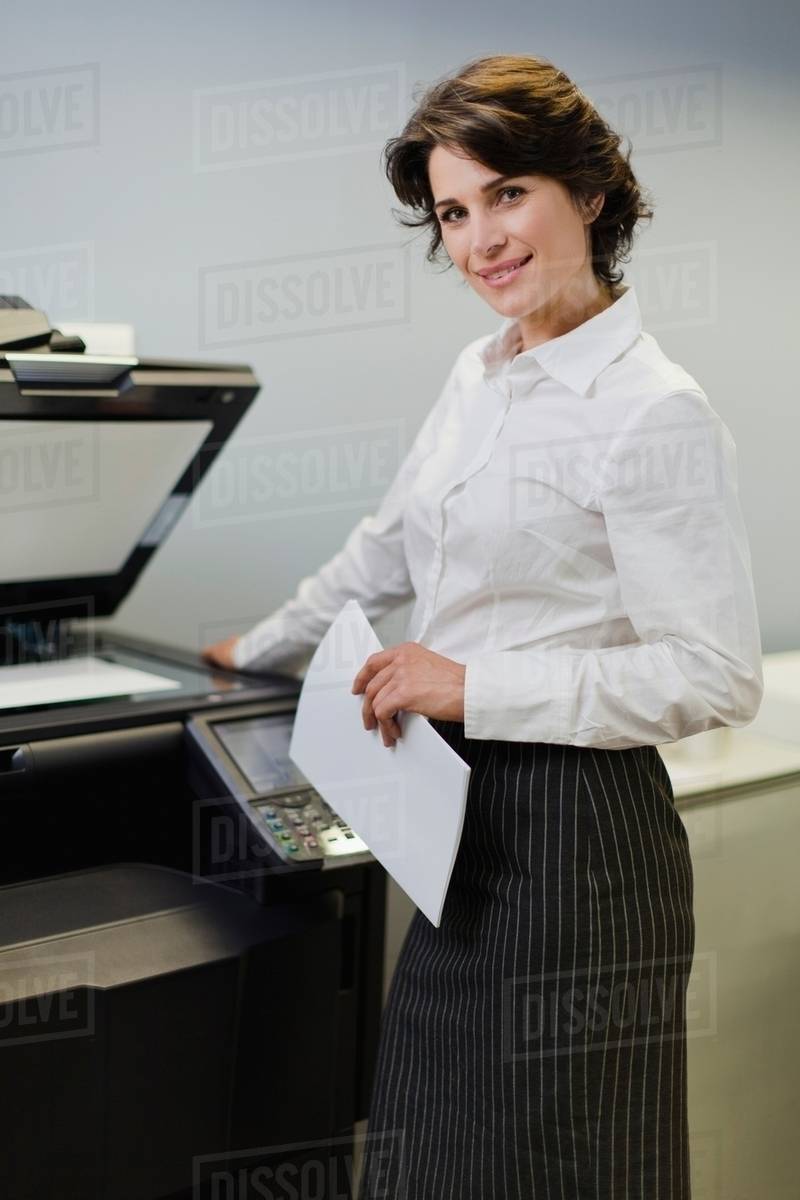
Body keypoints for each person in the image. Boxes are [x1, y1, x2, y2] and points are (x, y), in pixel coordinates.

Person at [202, 54, 763, 1199]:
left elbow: (713, 676)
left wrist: (470, 683)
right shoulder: (479, 373)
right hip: (463, 827)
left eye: (506, 193)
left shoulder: (652, 408)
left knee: (559, 1166)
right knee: (426, 1157)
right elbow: (387, 545)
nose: (478, 240)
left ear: (588, 194)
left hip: (580, 845)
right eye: (453, 213)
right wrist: (253, 648)